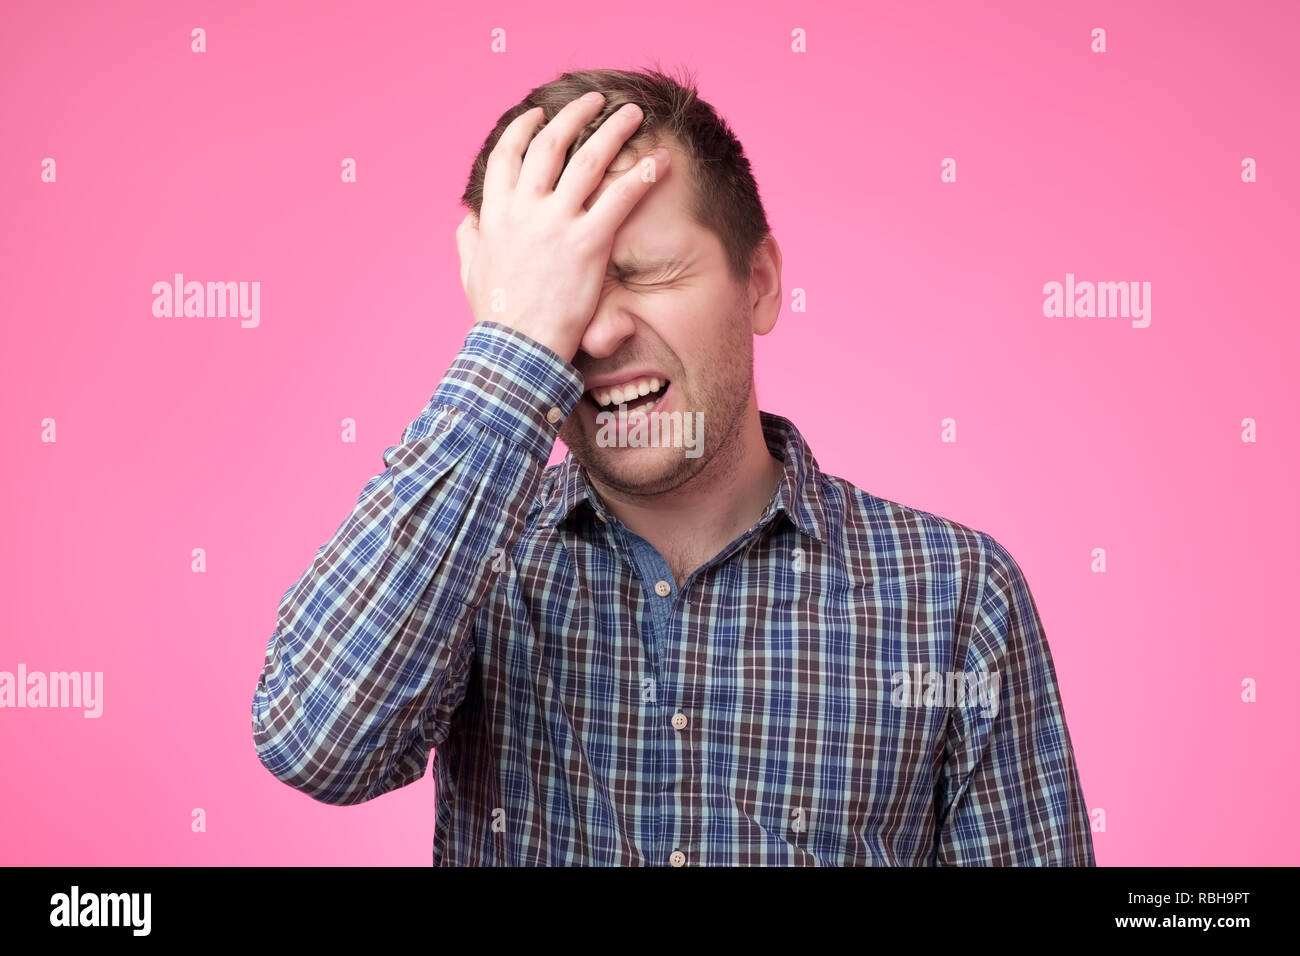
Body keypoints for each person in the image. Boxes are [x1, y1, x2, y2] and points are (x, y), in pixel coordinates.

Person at [251, 66, 1095, 866]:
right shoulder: (472, 567)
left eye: (645, 275)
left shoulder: (957, 592)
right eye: (563, 294)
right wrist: (513, 347)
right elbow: (320, 743)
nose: (598, 332)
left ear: (758, 282)